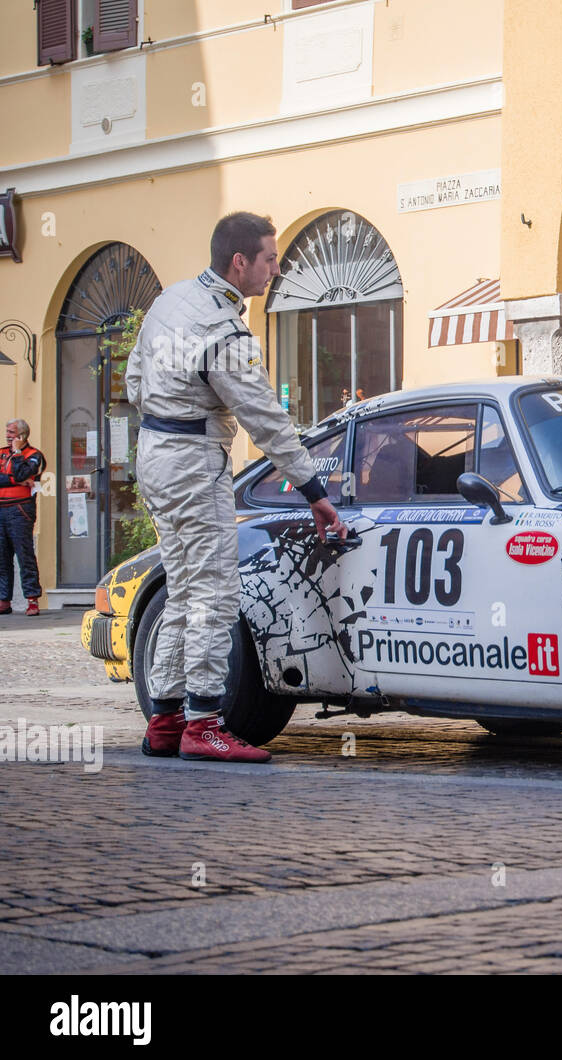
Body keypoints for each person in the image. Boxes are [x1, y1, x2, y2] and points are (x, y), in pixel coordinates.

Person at [126, 212, 345, 763]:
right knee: (217, 594)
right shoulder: (222, 331)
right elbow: (265, 419)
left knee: (183, 587)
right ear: (239, 262)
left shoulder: (170, 301)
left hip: (154, 453)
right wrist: (314, 490)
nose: (277, 269)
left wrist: (167, 411)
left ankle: (165, 719)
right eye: (270, 259)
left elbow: (133, 378)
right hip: (194, 461)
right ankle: (204, 722)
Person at [0, 419, 45, 616]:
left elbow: (23, 474)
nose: (7, 435)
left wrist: (18, 455)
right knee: (1, 558)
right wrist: (14, 480)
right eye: (7, 432)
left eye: (11, 432)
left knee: (24, 555)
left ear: (22, 435)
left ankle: (32, 599)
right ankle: (4, 600)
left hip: (20, 510)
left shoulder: (34, 455)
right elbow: (17, 478)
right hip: (1, 509)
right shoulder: (1, 453)